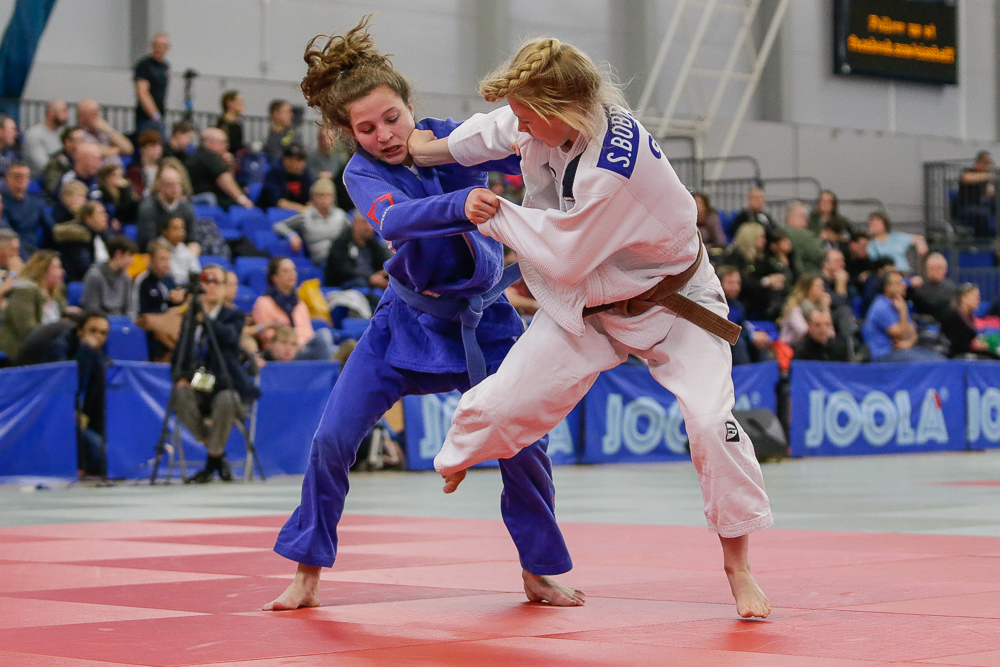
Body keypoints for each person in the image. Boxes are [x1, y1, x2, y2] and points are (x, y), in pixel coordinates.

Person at [409, 35, 771, 618]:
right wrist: (426, 153)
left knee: (709, 422)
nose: (520, 128)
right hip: (592, 306)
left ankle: (738, 564)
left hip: (674, 303)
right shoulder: (546, 117)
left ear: (564, 113)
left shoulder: (612, 170)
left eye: (530, 117)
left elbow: (565, 256)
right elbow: (495, 128)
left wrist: (494, 212)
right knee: (503, 402)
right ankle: (459, 454)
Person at [263, 16, 582, 613]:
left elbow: (517, 151)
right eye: (366, 128)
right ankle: (307, 569)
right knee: (332, 438)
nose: (384, 134)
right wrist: (460, 202)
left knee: (524, 442)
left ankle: (538, 571)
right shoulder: (363, 174)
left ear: (410, 105)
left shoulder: (449, 138)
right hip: (404, 324)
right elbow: (392, 221)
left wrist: (551, 132)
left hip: (485, 324)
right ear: (348, 135)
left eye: (392, 118)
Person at [170, 265, 260, 483]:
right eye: (205, 280)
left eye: (215, 281)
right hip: (202, 386)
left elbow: (228, 337)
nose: (209, 286)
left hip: (229, 386)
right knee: (179, 394)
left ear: (224, 288)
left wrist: (205, 319)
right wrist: (185, 378)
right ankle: (217, 454)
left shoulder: (234, 315)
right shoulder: (190, 318)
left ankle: (212, 462)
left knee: (226, 398)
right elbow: (180, 355)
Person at [251, 256, 336, 361]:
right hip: (280, 353)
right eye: (286, 271)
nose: (292, 274)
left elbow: (308, 333)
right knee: (324, 336)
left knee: (338, 349)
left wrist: (299, 343)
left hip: (303, 348)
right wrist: (293, 344)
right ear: (274, 277)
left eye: (293, 270)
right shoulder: (263, 302)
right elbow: (267, 336)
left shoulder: (300, 304)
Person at [862, 269, 944, 363]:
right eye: (899, 283)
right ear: (887, 287)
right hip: (884, 355)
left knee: (938, 358)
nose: (904, 285)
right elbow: (901, 334)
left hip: (902, 351)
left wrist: (910, 342)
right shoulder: (881, 306)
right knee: (928, 362)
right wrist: (903, 311)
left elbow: (912, 331)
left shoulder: (899, 303)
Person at [0, 251, 69, 359]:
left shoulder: (56, 296)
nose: (62, 271)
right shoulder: (25, 291)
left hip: (48, 348)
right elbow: (27, 330)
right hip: (21, 351)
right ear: (41, 270)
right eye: (57, 267)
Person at [272, 178, 348, 265]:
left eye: (328, 195)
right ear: (313, 198)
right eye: (320, 196)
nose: (324, 200)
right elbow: (278, 225)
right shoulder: (305, 216)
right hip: (321, 259)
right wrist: (291, 235)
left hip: (341, 257)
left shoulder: (341, 215)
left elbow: (353, 232)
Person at [132, 238, 185, 361]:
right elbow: (138, 313)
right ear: (150, 259)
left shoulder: (169, 281)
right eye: (162, 259)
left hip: (169, 327)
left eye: (168, 259)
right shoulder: (143, 281)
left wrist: (178, 301)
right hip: (149, 327)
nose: (167, 264)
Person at [187, 128, 254, 210]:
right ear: (210, 143)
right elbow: (223, 179)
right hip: (206, 202)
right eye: (223, 142)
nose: (227, 146)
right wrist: (243, 200)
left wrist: (229, 166)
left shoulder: (207, 156)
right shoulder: (208, 156)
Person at [136, 161, 197, 251]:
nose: (175, 188)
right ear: (160, 185)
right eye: (170, 184)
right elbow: (147, 243)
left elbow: (193, 240)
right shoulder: (148, 208)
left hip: (180, 255)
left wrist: (190, 253)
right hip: (156, 256)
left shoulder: (186, 208)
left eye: (178, 184)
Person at [323, 209, 391, 289]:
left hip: (372, 282)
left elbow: (383, 262)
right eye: (364, 222)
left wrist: (384, 273)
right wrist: (370, 278)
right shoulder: (341, 243)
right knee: (360, 283)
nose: (369, 227)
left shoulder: (373, 244)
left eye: (371, 223)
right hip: (347, 284)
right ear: (354, 223)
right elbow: (343, 269)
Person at [718, 264, 771, 366]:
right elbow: (726, 329)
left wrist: (754, 335)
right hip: (721, 344)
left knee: (760, 342)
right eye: (730, 283)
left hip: (739, 338)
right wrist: (750, 336)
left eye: (737, 283)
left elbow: (743, 326)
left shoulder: (737, 305)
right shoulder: (715, 304)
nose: (735, 287)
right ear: (719, 283)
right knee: (739, 343)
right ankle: (745, 377)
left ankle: (762, 378)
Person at [2, 162, 54, 254]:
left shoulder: (36, 202)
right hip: (12, 251)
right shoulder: (2, 204)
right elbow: (6, 234)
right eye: (17, 176)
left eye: (25, 176)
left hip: (34, 251)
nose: (21, 180)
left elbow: (51, 228)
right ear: (7, 178)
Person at [53, 201, 111, 282]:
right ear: (88, 218)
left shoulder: (101, 235)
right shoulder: (77, 238)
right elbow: (84, 268)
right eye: (101, 213)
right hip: (81, 282)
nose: (106, 216)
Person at [80, 235, 138, 315]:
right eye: (129, 255)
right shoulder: (94, 276)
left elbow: (130, 309)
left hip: (121, 323)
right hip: (100, 322)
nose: (131, 261)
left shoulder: (126, 278)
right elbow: (91, 309)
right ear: (118, 254)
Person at [941, 283, 997, 359]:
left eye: (978, 297)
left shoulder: (969, 317)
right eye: (975, 297)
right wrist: (972, 344)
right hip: (957, 356)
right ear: (963, 298)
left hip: (969, 352)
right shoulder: (952, 317)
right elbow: (953, 343)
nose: (978, 300)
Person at [54, 142, 104, 223]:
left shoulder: (99, 179)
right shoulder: (68, 181)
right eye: (95, 159)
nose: (99, 164)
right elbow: (67, 212)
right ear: (82, 159)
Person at [76, 98, 134, 165]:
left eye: (96, 112)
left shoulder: (105, 130)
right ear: (80, 115)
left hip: (116, 171)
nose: (95, 116)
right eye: (90, 113)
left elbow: (128, 149)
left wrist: (109, 130)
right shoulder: (78, 134)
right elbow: (96, 152)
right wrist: (118, 150)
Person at [257, 143, 313, 211]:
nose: (301, 164)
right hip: (272, 214)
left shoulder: (305, 175)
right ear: (286, 160)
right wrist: (303, 209)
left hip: (297, 215)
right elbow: (279, 202)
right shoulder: (274, 174)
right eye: (297, 160)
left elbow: (310, 197)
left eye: (302, 160)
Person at [778, 273, 831, 345]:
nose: (823, 289)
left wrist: (825, 309)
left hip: (811, 346)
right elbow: (803, 330)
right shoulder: (794, 308)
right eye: (819, 286)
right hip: (790, 348)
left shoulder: (819, 307)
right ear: (808, 289)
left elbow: (830, 333)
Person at [134, 32, 171, 134]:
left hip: (160, 113)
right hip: (147, 117)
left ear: (168, 48)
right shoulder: (144, 65)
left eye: (162, 46)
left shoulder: (165, 66)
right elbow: (142, 93)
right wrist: (155, 116)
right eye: (156, 45)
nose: (159, 48)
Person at [908, 252, 958, 325]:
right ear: (926, 269)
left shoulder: (951, 286)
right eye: (932, 268)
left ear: (945, 270)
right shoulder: (917, 287)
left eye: (939, 268)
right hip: (925, 325)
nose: (936, 271)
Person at [955, 151, 996, 238]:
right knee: (983, 214)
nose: (987, 166)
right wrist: (986, 176)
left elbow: (989, 193)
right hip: (967, 205)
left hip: (983, 204)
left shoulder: (987, 176)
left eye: (988, 163)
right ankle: (981, 241)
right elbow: (966, 177)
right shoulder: (969, 171)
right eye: (985, 163)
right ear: (978, 162)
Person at [23, 99, 68, 176]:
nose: (67, 115)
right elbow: (43, 165)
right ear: (50, 112)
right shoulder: (34, 134)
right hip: (41, 178)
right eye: (63, 111)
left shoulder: (64, 132)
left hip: (62, 175)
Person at [784, 201, 825, 275]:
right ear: (790, 217)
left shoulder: (781, 231)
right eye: (802, 215)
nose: (807, 218)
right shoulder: (804, 235)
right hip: (808, 274)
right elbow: (819, 254)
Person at [42, 126, 85, 199]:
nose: (83, 143)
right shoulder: (56, 162)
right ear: (67, 142)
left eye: (83, 139)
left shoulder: (85, 159)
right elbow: (52, 188)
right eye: (79, 140)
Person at [160, 216, 201, 286]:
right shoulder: (158, 248)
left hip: (184, 286)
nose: (180, 232)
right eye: (175, 228)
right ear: (165, 231)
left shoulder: (185, 250)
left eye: (182, 228)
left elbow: (196, 272)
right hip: (165, 285)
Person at [126, 129, 164, 197]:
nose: (157, 149)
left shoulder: (164, 167)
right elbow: (138, 192)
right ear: (142, 148)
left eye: (159, 146)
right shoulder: (134, 169)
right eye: (153, 146)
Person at [264, 100, 301, 165]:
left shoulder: (293, 133)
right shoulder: (266, 136)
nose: (291, 115)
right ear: (276, 114)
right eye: (287, 112)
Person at [216, 90, 245, 155]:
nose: (242, 105)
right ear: (230, 103)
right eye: (240, 101)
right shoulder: (223, 125)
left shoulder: (237, 125)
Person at [0, 229, 23, 308]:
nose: (16, 254)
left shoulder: (4, 271)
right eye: (13, 249)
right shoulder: (11, 273)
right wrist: (13, 274)